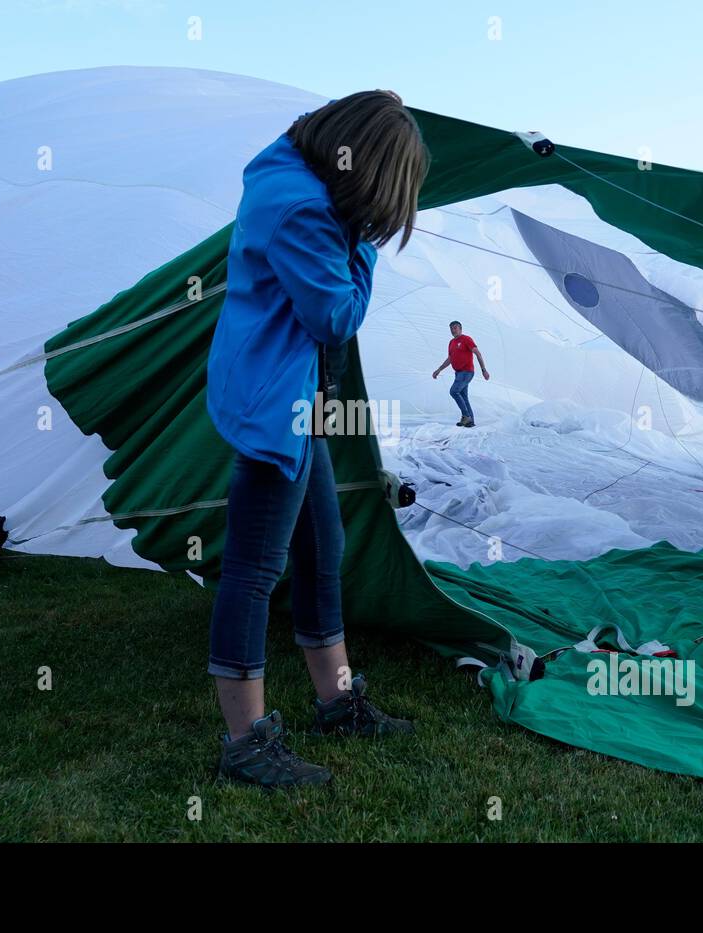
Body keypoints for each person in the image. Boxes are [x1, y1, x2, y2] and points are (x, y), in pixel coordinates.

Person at [204, 90, 429, 788]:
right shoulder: (303, 208)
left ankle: (336, 701)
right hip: (279, 406)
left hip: (291, 400)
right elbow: (334, 315)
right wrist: (363, 246)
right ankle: (246, 744)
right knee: (252, 569)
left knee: (322, 548)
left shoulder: (288, 175)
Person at [432, 321, 489, 426]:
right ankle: (470, 421)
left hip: (466, 372)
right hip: (458, 373)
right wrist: (439, 369)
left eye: (455, 328)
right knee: (463, 396)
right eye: (451, 329)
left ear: (460, 328)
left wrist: (483, 370)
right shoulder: (451, 342)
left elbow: (477, 353)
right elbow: (450, 359)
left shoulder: (466, 339)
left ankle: (466, 416)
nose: (453, 330)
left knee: (454, 391)